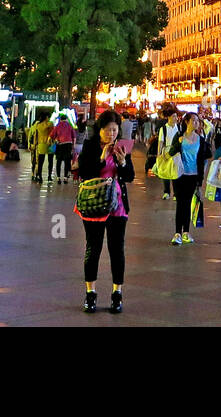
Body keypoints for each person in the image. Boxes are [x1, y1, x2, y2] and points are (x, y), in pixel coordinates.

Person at [76, 110, 134, 313]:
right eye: (108, 130)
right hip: (94, 206)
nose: (111, 134)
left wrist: (123, 162)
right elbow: (84, 173)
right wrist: (102, 158)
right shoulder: (90, 146)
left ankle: (117, 293)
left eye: (115, 130)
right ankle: (90, 293)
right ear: (100, 130)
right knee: (93, 248)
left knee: (117, 250)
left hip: (117, 207)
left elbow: (129, 177)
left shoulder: (121, 148)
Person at [168, 114, 210, 245]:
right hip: (179, 175)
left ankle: (185, 232)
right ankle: (177, 233)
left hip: (193, 176)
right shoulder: (179, 137)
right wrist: (178, 144)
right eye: (193, 120)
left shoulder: (201, 140)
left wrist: (200, 179)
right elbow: (171, 153)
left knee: (187, 203)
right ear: (186, 122)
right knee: (180, 203)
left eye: (198, 121)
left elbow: (205, 159)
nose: (196, 123)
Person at [51, 112, 77, 183]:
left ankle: (59, 178)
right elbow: (74, 137)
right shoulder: (70, 126)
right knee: (67, 161)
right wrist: (73, 147)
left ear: (60, 119)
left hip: (60, 145)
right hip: (68, 145)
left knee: (58, 161)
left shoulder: (57, 125)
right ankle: (65, 178)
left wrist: (55, 140)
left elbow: (52, 136)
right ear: (66, 119)